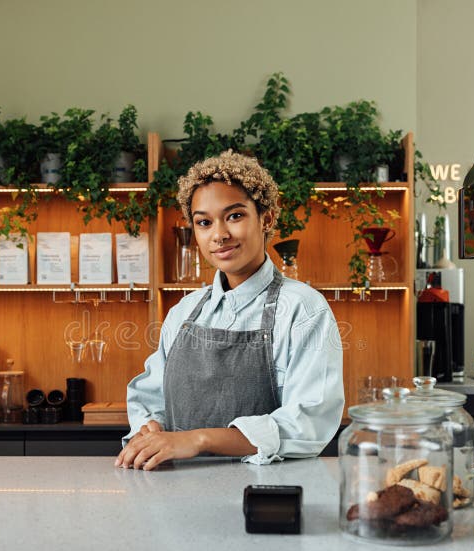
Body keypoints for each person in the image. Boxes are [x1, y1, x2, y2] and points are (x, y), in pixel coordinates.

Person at [116, 150, 344, 470]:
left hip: (265, 497)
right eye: (204, 222)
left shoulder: (303, 309)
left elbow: (308, 422)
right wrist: (150, 427)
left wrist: (199, 439)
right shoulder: (184, 312)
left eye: (235, 216)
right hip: (177, 497)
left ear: (265, 218)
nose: (219, 235)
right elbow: (151, 397)